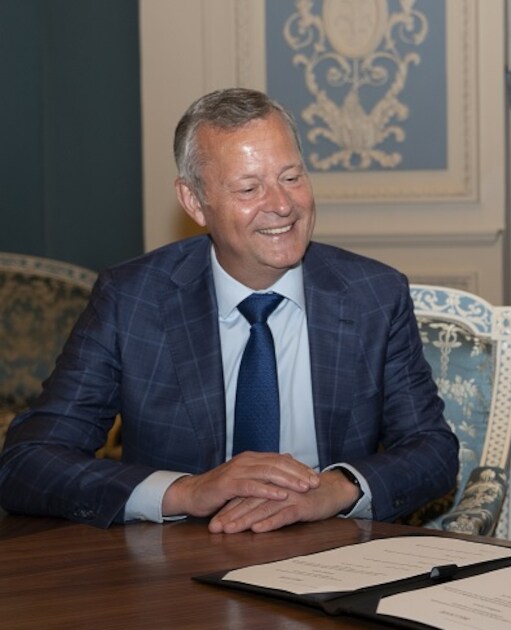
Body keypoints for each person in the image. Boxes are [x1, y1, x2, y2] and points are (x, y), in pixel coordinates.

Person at [0, 88, 458, 534]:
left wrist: (336, 490)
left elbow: (432, 450)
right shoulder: (132, 298)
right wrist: (186, 492)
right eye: (249, 187)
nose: (281, 205)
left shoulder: (373, 295)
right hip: (176, 570)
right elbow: (28, 460)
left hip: (330, 556)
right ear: (195, 202)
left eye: (292, 177)